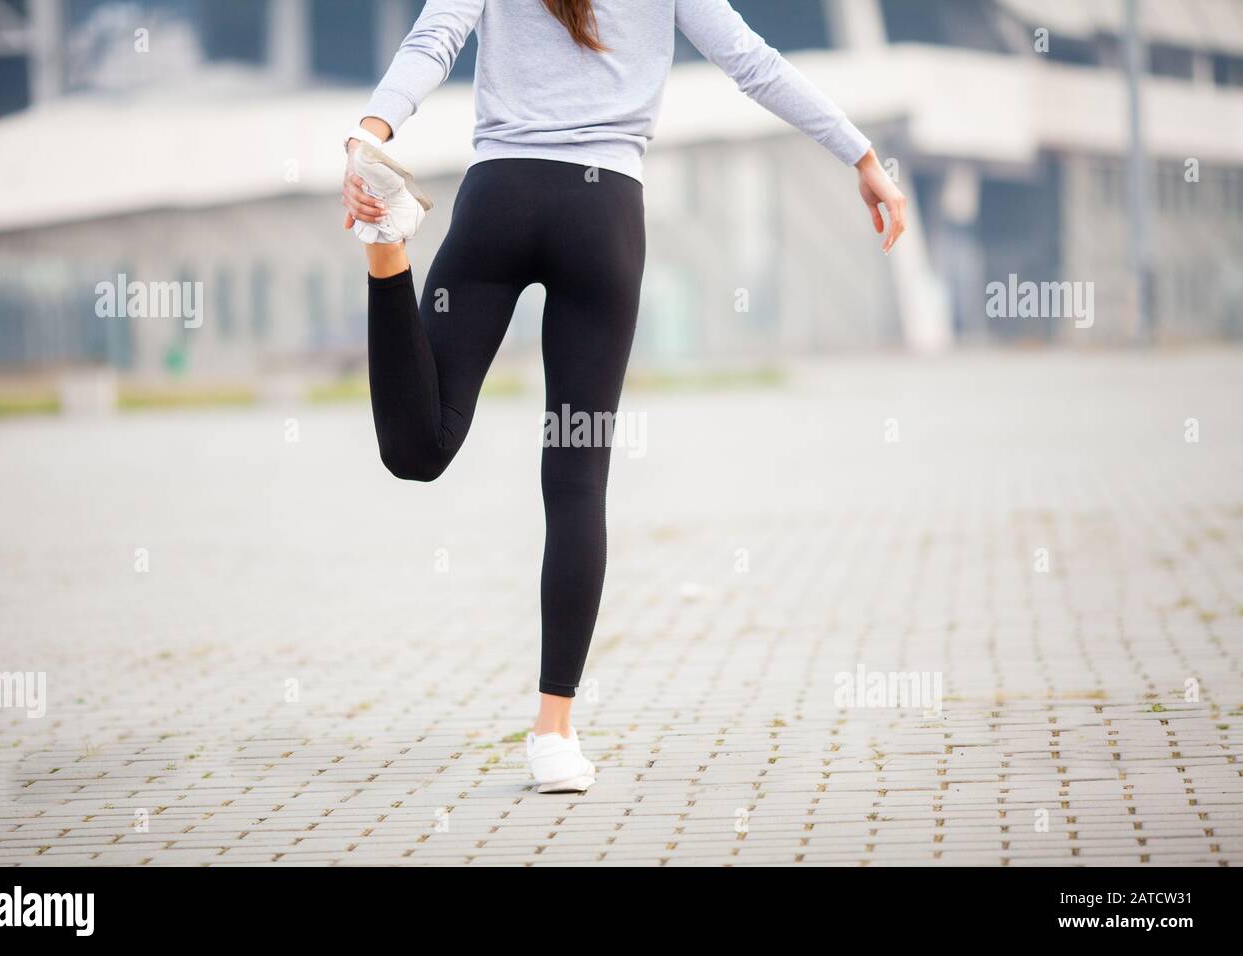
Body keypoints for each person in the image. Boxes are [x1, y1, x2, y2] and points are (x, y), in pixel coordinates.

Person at [340, 0, 906, 794]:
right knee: (576, 485)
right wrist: (862, 155)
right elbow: (752, 63)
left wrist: (373, 133)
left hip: (498, 201)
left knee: (417, 450)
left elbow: (435, 37)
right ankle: (554, 736)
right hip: (600, 217)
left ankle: (386, 249)